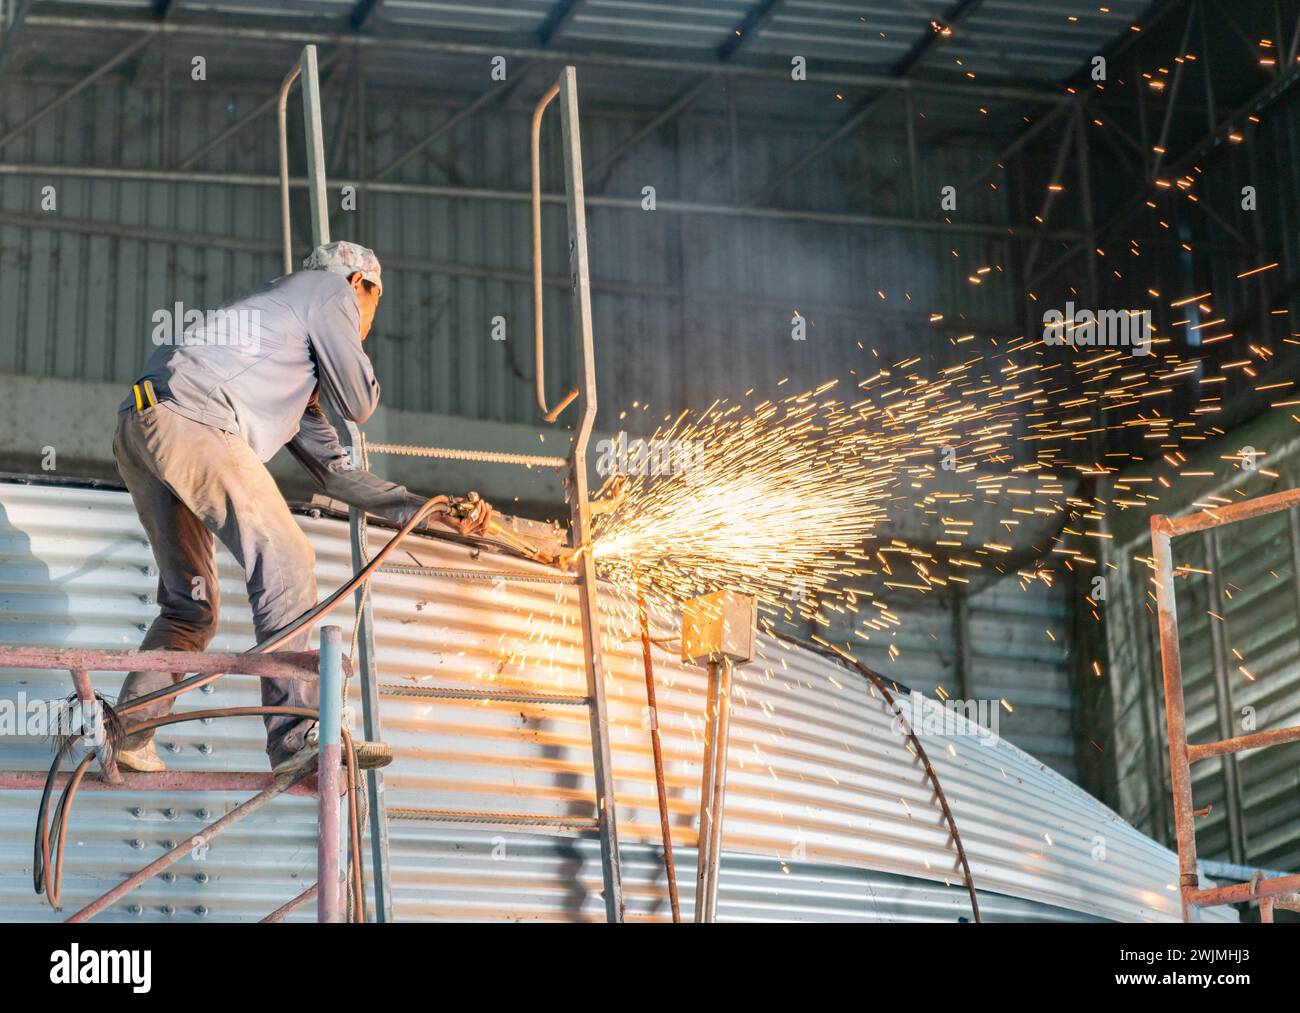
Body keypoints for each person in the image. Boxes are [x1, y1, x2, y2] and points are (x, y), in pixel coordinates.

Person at [111, 241, 490, 774]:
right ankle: (295, 739)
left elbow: (337, 474)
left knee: (189, 605)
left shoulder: (281, 350)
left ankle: (130, 729)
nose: (366, 324)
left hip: (141, 424)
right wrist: (349, 344)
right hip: (193, 421)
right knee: (288, 558)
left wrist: (424, 510)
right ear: (361, 285)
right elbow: (360, 403)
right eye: (372, 307)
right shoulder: (329, 291)